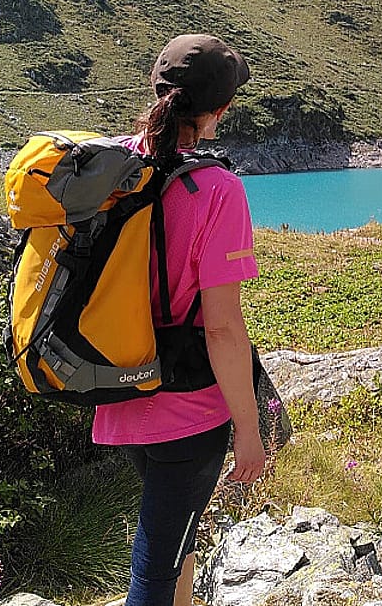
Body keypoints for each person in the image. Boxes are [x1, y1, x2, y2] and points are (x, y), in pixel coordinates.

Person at [92, 34, 266, 606]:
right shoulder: (217, 189)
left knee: (179, 536)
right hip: (189, 406)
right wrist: (248, 428)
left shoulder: (108, 166)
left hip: (118, 383)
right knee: (157, 564)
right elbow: (221, 328)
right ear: (220, 110)